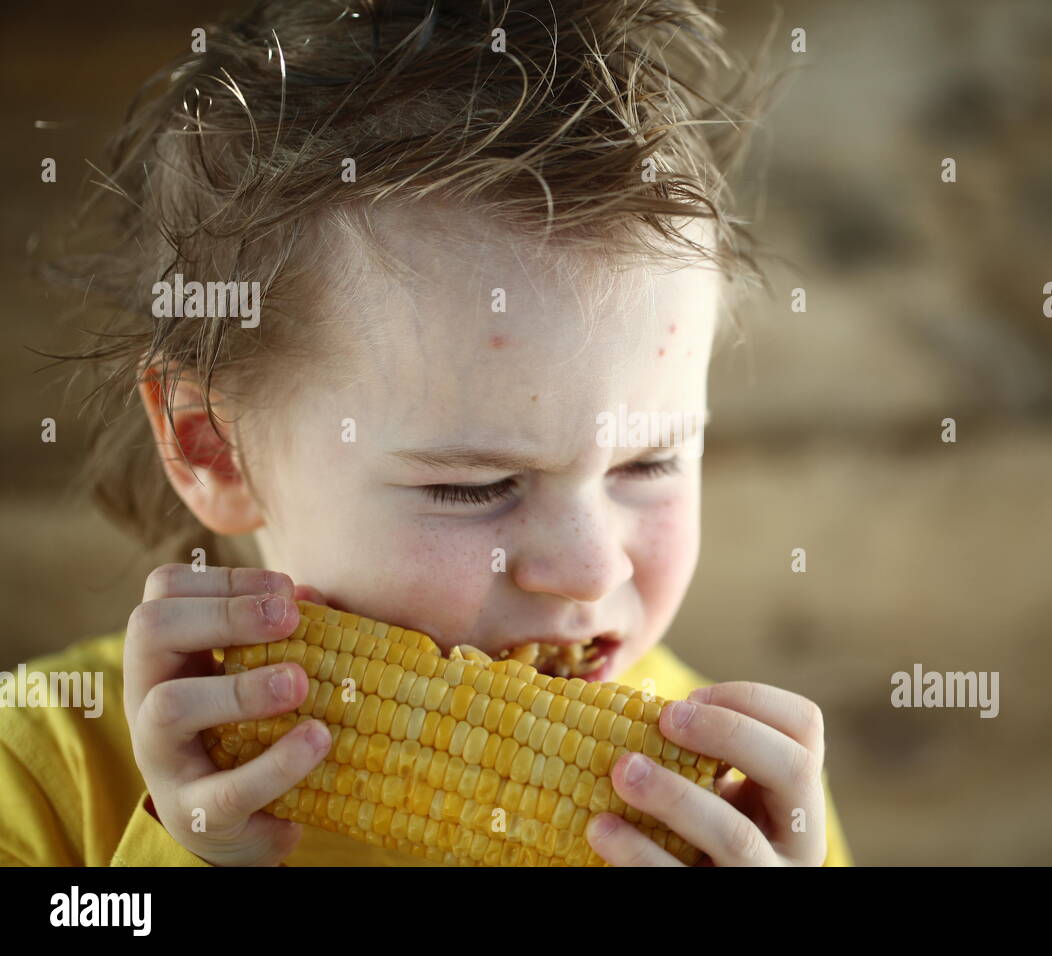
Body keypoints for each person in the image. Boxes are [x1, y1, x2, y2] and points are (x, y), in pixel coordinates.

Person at [2, 0, 853, 867]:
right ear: (214, 448)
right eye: (475, 486)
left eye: (652, 459)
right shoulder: (36, 776)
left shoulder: (745, 805)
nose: (593, 569)